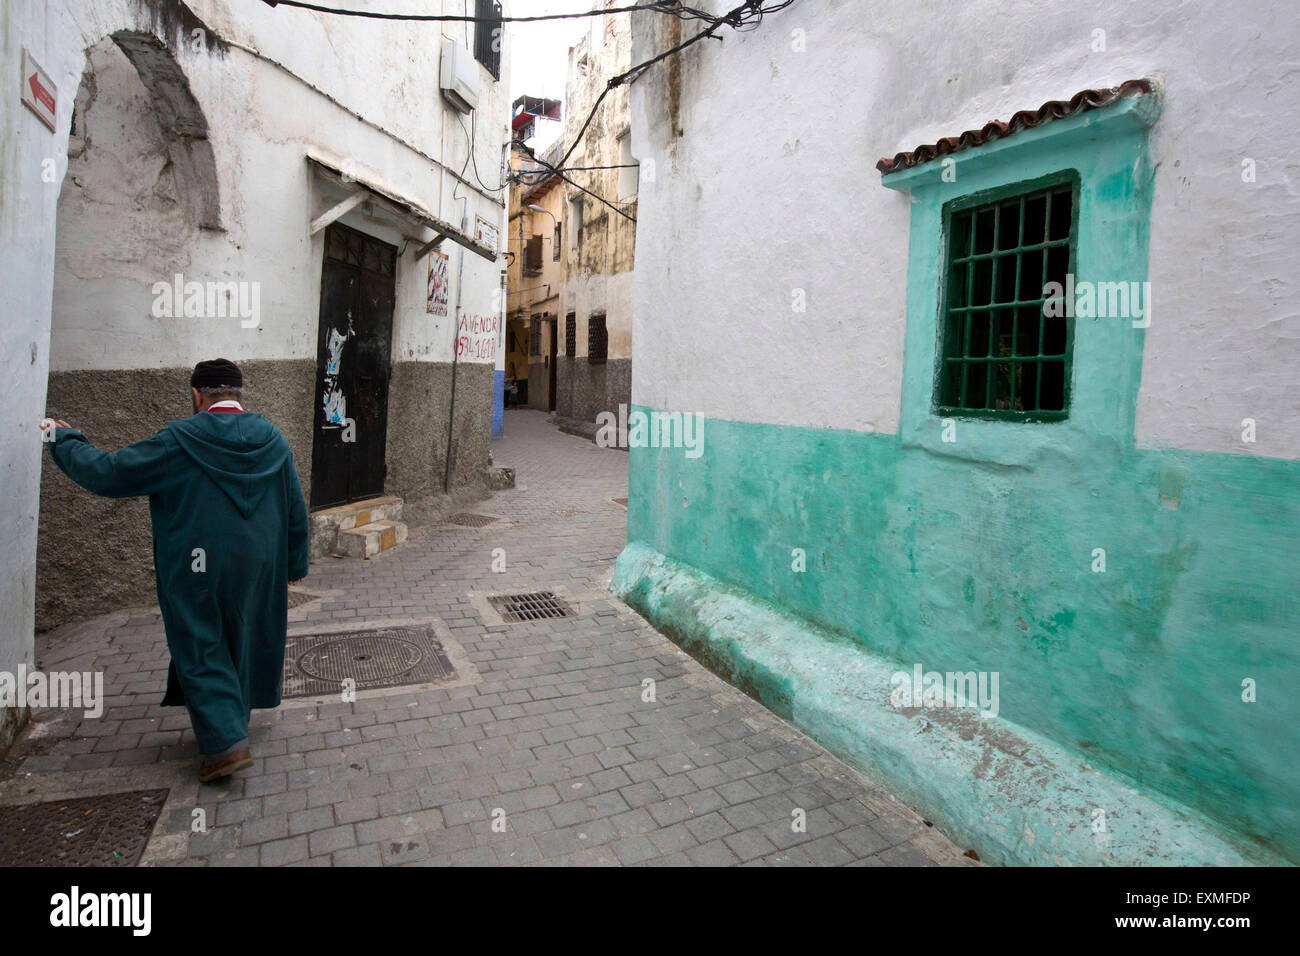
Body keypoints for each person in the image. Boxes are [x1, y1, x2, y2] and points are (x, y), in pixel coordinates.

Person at [41, 358, 310, 783]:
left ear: (197, 395)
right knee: (241, 636)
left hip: (196, 562)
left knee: (201, 641)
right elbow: (294, 504)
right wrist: (295, 562)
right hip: (260, 563)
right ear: (239, 395)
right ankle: (230, 723)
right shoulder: (273, 439)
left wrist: (64, 439)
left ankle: (224, 744)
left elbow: (112, 474)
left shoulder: (179, 440)